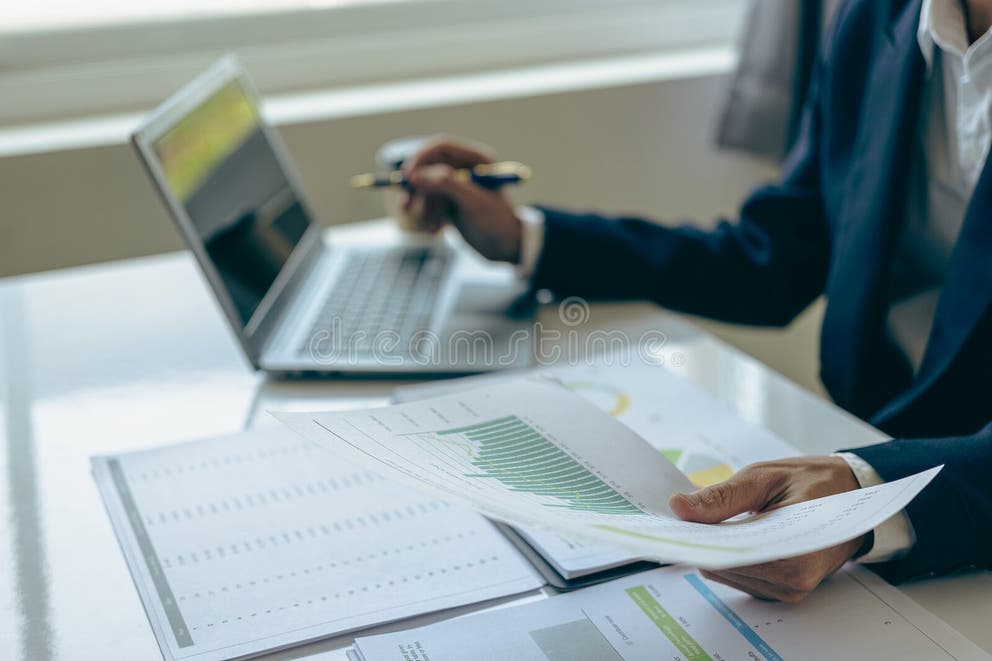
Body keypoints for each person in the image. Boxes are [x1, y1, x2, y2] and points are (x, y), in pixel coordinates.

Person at [399, 0, 992, 602]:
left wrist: (869, 489)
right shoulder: (877, 20)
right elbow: (771, 262)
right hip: (864, 456)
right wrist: (527, 238)